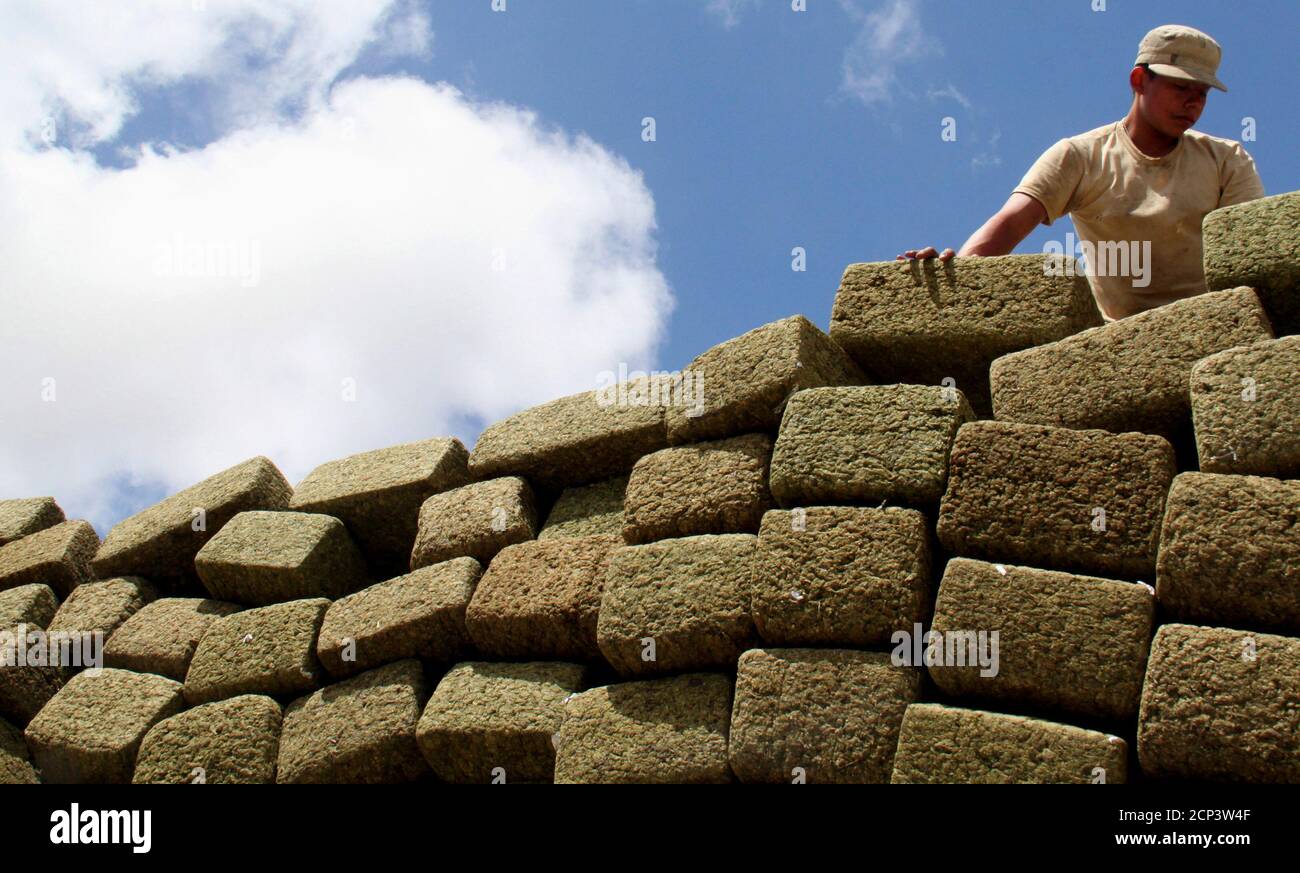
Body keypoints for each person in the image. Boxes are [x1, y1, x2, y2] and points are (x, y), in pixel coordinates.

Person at [898, 24, 1265, 322]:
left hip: (1212, 325)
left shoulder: (1226, 160)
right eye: (1181, 87)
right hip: (1117, 333)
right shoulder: (1080, 155)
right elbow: (1010, 224)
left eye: (1202, 93)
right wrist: (954, 273)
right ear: (1139, 80)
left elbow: (1247, 257)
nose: (1193, 103)